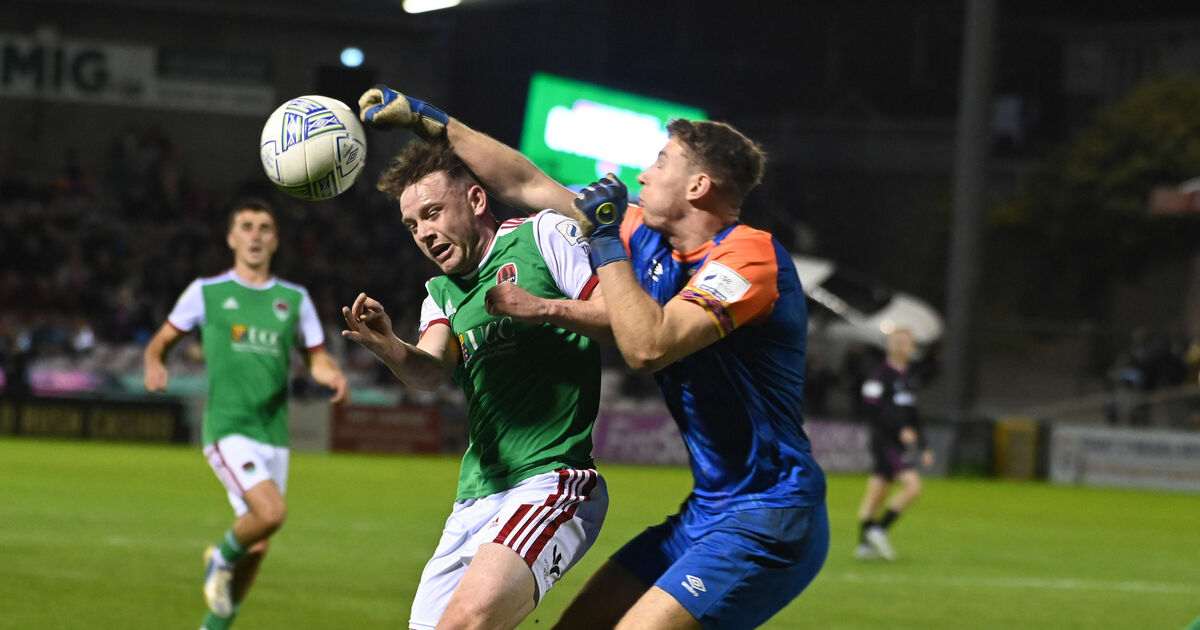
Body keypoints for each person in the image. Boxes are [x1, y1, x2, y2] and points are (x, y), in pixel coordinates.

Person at [358, 85, 828, 630]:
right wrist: (426, 119)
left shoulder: (747, 258)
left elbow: (648, 346)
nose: (644, 174)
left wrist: (590, 254)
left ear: (698, 186)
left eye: (660, 162)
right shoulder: (641, 235)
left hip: (770, 513)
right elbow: (525, 181)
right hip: (707, 510)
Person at [339, 139, 610, 630]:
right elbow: (431, 372)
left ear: (476, 200)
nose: (423, 232)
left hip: (552, 481)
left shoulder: (542, 236)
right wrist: (389, 347)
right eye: (412, 225)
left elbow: (619, 320)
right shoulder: (439, 294)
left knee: (463, 624)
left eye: (432, 212)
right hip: (475, 498)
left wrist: (542, 308)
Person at [143, 198, 349, 630]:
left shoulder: (294, 300)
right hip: (228, 428)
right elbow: (161, 339)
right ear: (231, 237)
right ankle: (218, 557)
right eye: (247, 226)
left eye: (264, 228)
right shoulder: (206, 292)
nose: (255, 234)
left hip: (273, 434)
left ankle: (211, 627)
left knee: (257, 546)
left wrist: (331, 375)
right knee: (271, 513)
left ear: (275, 240)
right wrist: (154, 362)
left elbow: (315, 357)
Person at [854, 327, 933, 561]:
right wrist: (899, 430)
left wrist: (923, 445)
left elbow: (913, 415)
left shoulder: (908, 378)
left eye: (907, 343)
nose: (903, 347)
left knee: (877, 493)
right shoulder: (878, 375)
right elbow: (870, 410)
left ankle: (864, 546)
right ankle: (879, 529)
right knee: (913, 486)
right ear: (890, 346)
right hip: (883, 441)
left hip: (896, 442)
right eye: (899, 342)